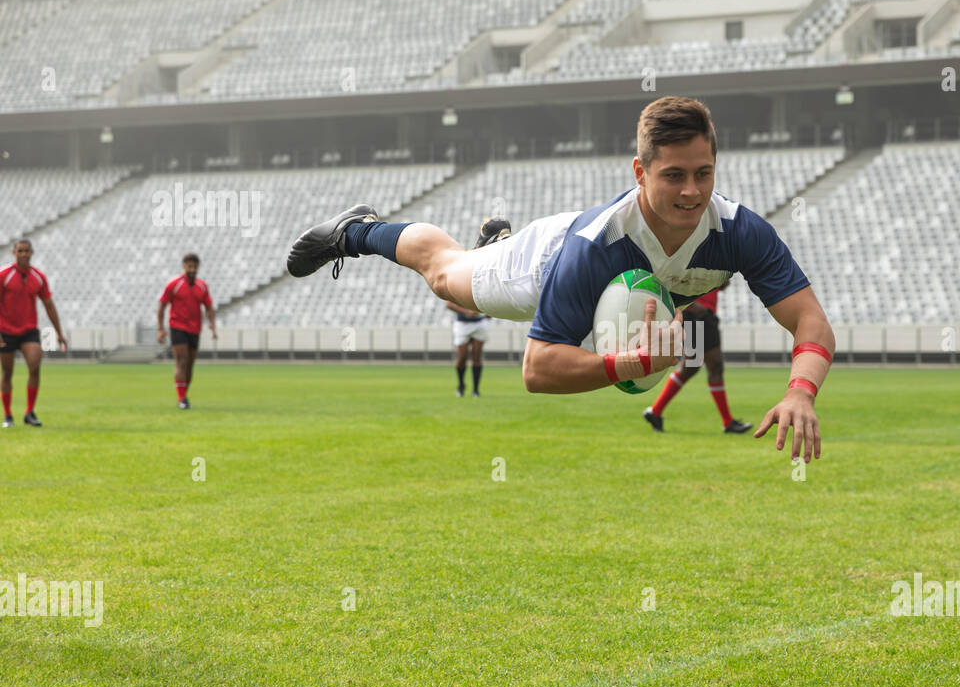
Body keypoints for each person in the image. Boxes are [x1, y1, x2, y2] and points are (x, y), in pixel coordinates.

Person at [286, 97, 833, 462]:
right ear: (640, 172)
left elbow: (810, 321)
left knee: (456, 270)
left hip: (623, 286)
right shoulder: (595, 246)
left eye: (704, 173)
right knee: (445, 273)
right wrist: (634, 364)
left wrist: (800, 392)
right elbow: (539, 369)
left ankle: (489, 244)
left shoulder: (740, 230)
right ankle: (356, 231)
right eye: (674, 176)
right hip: (542, 261)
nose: (692, 192)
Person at [642, 281, 751, 434]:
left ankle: (655, 411)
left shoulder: (716, 260)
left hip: (702, 314)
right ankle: (728, 422)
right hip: (697, 314)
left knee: (692, 367)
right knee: (714, 365)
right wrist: (692, 306)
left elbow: (723, 284)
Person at [0, 239, 67, 427]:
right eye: (20, 250)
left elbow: (49, 305)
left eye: (27, 251)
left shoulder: (38, 277)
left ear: (32, 252)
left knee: (35, 366)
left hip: (29, 330)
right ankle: (8, 415)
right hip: (5, 330)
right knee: (7, 373)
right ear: (14, 253)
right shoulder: (4, 275)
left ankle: (29, 412)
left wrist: (59, 333)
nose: (23, 254)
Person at [157, 253, 216, 410]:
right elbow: (162, 305)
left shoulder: (202, 286)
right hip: (177, 326)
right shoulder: (174, 284)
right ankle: (182, 398)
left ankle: (184, 395)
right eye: (189, 266)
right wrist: (161, 329)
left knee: (190, 365)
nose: (192, 269)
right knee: (181, 361)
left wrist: (212, 325)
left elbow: (209, 306)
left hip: (195, 328)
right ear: (184, 267)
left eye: (195, 266)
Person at [446, 299, 489, 397]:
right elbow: (449, 304)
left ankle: (476, 390)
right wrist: (467, 312)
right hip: (462, 324)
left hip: (479, 323)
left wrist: (489, 312)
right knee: (462, 357)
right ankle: (461, 384)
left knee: (477, 356)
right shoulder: (458, 285)